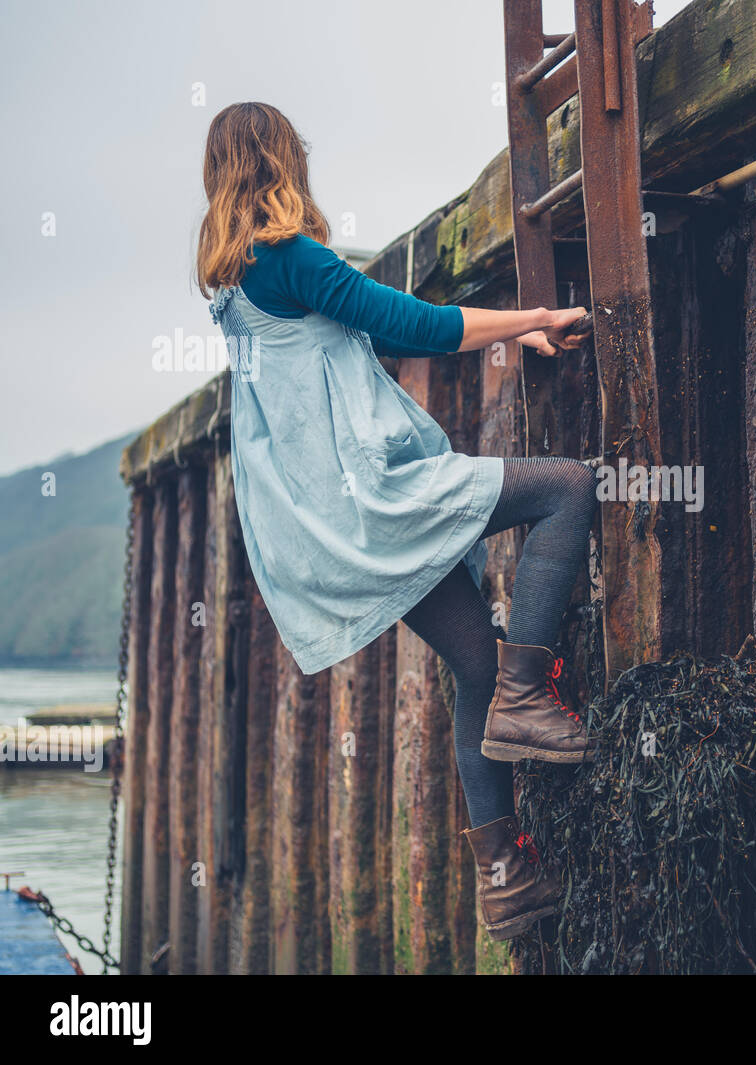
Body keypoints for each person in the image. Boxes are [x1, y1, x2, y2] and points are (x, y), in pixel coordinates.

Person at [197, 101, 596, 940]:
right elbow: (410, 323)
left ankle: (505, 877)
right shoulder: (289, 259)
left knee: (472, 667)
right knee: (566, 487)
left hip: (323, 531)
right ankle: (531, 695)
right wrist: (532, 319)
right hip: (373, 499)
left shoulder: (231, 291)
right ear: (281, 163)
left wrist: (509, 340)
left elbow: (336, 356)